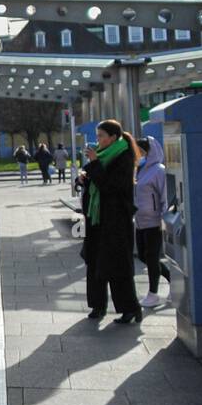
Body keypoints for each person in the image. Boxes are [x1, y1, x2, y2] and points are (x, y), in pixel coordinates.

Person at [77, 119, 141, 323]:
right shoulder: (102, 156)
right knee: (95, 263)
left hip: (115, 220)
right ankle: (98, 305)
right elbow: (96, 182)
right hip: (97, 219)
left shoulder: (123, 156)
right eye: (97, 137)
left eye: (101, 136)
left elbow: (111, 187)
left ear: (113, 137)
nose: (98, 140)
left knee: (117, 265)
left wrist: (95, 164)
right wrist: (84, 180)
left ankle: (130, 308)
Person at [134, 137, 171, 308]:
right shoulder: (140, 169)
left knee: (151, 256)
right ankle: (171, 280)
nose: (139, 153)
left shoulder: (158, 171)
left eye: (142, 150)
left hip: (154, 221)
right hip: (140, 220)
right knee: (144, 255)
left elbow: (164, 195)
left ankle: (153, 293)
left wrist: (163, 220)